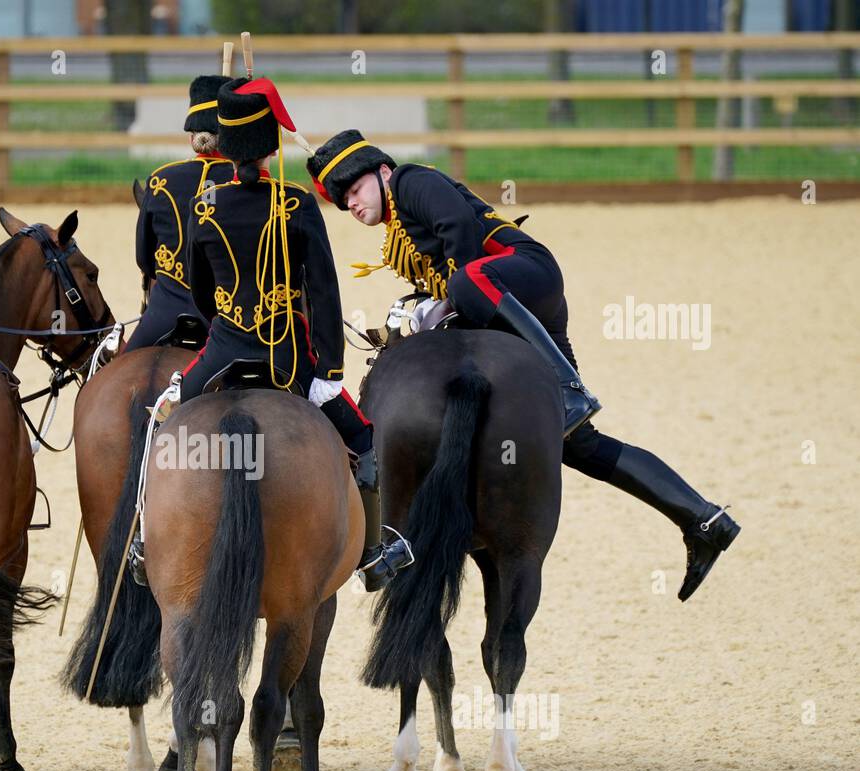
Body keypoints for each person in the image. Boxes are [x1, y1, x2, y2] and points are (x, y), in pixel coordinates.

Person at [306, 130, 739, 600]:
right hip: (511, 302)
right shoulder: (397, 227)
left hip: (522, 274)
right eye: (341, 199)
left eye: (353, 190)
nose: (349, 203)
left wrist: (442, 306)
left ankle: (570, 389)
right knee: (579, 445)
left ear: (382, 172)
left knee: (469, 280)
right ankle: (702, 519)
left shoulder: (411, 181)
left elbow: (465, 244)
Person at [130, 79, 413, 592]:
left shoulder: (206, 204)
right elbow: (324, 292)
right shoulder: (296, 204)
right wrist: (327, 372)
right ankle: (373, 553)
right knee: (363, 437)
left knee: (159, 422)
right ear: (267, 149)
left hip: (220, 353)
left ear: (223, 142)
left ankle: (145, 541)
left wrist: (225, 318)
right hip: (289, 358)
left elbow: (198, 289)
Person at [126, 74, 237, 352]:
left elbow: (145, 260)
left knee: (107, 375)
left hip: (163, 315)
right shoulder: (246, 182)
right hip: (225, 318)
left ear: (192, 137)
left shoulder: (161, 180)